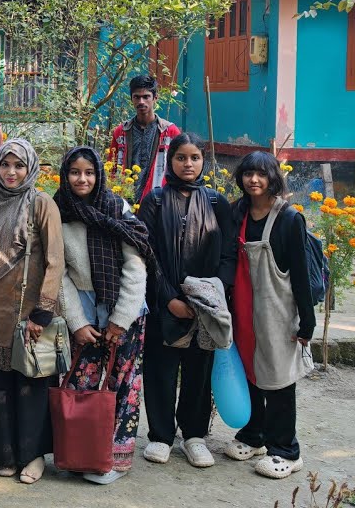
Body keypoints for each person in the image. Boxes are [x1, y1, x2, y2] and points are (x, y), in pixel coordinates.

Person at [136, 133, 236, 470]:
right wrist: (169, 300)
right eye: (181, 158)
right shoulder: (156, 200)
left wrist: (211, 295)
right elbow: (146, 255)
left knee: (199, 372)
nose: (188, 164)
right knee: (161, 370)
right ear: (171, 160)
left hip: (205, 307)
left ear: (203, 161)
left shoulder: (217, 202)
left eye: (194, 158)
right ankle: (161, 436)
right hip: (164, 302)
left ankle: (194, 436)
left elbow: (228, 254)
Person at [55, 146, 153, 484]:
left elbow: (135, 266)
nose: (82, 179)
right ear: (65, 175)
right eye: (75, 172)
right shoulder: (58, 211)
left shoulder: (116, 208)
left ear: (99, 175)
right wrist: (77, 322)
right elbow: (58, 272)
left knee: (122, 383)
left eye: (89, 172)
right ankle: (83, 451)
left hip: (123, 305)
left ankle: (113, 459)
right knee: (82, 381)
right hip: (82, 308)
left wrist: (120, 319)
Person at [0, 138, 65, 484]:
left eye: (19, 166)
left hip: (28, 310)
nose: (11, 173)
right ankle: (5, 453)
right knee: (0, 385)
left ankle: (34, 454)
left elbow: (55, 261)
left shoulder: (41, 203)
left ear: (30, 169)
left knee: (32, 383)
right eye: (5, 165)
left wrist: (42, 313)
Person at [225, 151, 315, 480]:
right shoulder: (238, 212)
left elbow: (302, 275)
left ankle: (287, 450)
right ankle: (254, 435)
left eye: (261, 174)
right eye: (248, 173)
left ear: (272, 177)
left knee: (277, 377)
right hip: (244, 307)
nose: (254, 180)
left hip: (278, 307)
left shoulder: (290, 218)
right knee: (250, 370)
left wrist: (307, 320)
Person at [108, 75, 182, 202]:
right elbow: (111, 167)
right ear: (132, 99)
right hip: (124, 200)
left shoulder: (170, 132)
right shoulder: (121, 132)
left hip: (159, 200)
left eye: (146, 96)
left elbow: (179, 168)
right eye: (137, 97)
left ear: (155, 99)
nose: (141, 101)